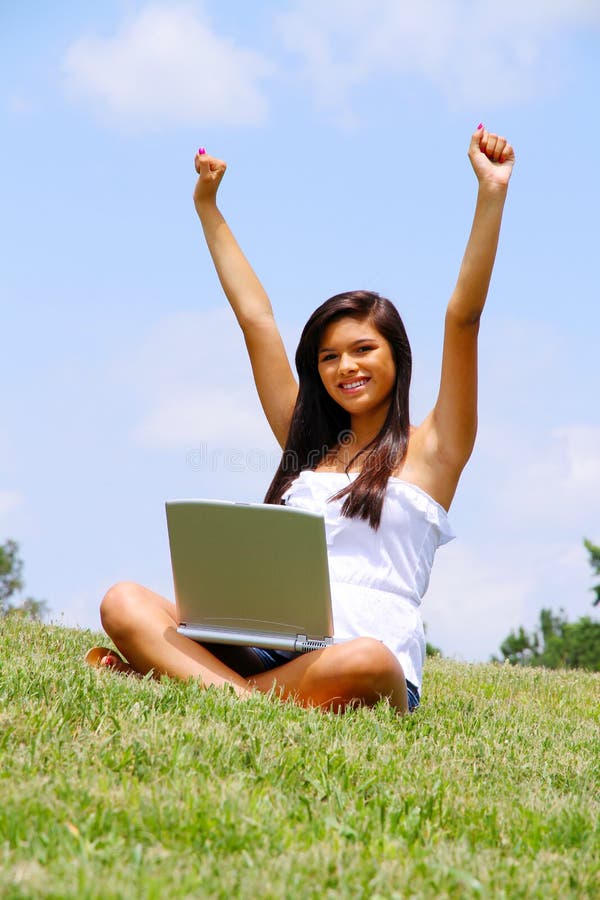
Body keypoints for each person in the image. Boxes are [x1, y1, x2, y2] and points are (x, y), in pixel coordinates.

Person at [89, 125, 515, 714]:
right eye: (329, 356)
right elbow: (256, 320)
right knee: (123, 601)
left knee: (367, 659)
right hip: (270, 649)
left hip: (363, 665)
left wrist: (490, 193)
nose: (346, 367)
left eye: (364, 349)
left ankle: (188, 684)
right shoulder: (306, 441)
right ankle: (243, 696)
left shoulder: (436, 450)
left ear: (397, 356)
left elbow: (462, 317)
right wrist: (207, 208)